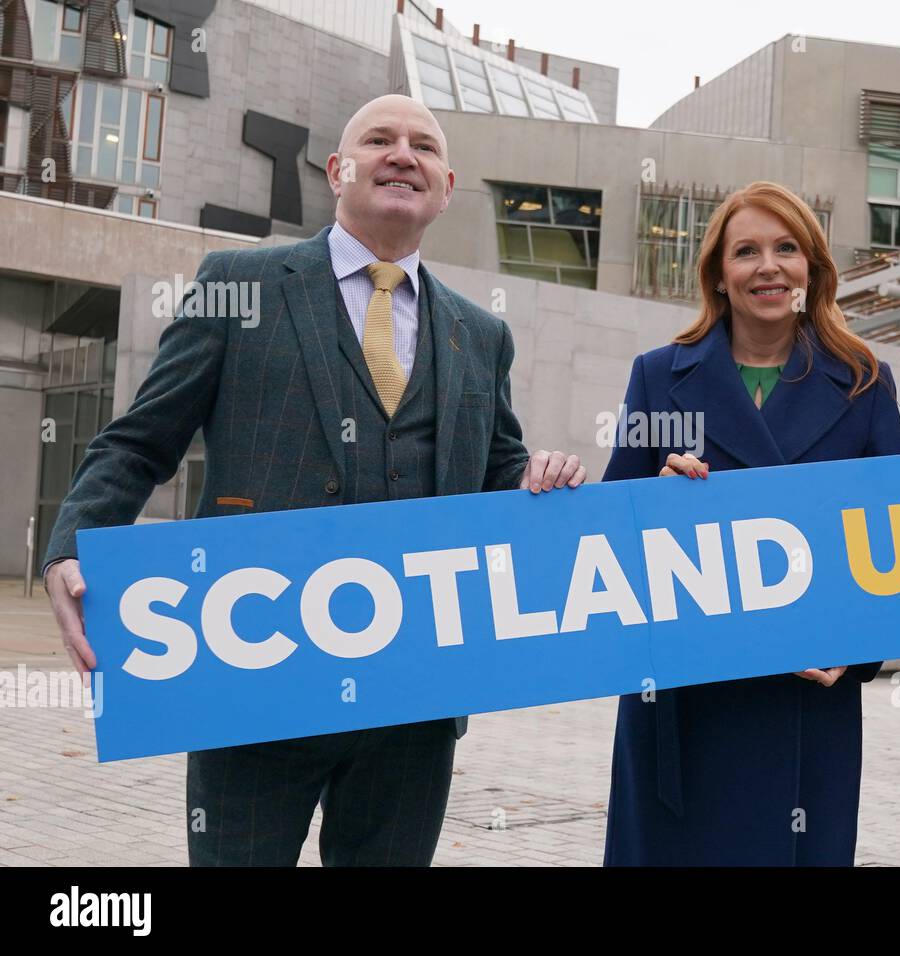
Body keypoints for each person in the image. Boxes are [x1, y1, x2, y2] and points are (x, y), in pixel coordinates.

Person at [42, 94, 586, 866]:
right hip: (257, 677)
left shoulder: (481, 334)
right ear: (338, 170)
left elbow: (497, 467)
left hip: (415, 702)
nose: (403, 153)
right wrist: (71, 545)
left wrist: (535, 474)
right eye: (379, 139)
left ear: (447, 186)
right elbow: (138, 442)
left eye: (423, 146)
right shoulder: (239, 285)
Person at [601, 181, 900, 866]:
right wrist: (653, 498)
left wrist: (852, 651)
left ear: (813, 268)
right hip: (683, 706)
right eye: (746, 251)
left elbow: (894, 546)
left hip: (805, 711)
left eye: (786, 248)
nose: (767, 266)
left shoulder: (864, 382)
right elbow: (608, 547)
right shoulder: (657, 377)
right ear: (718, 274)